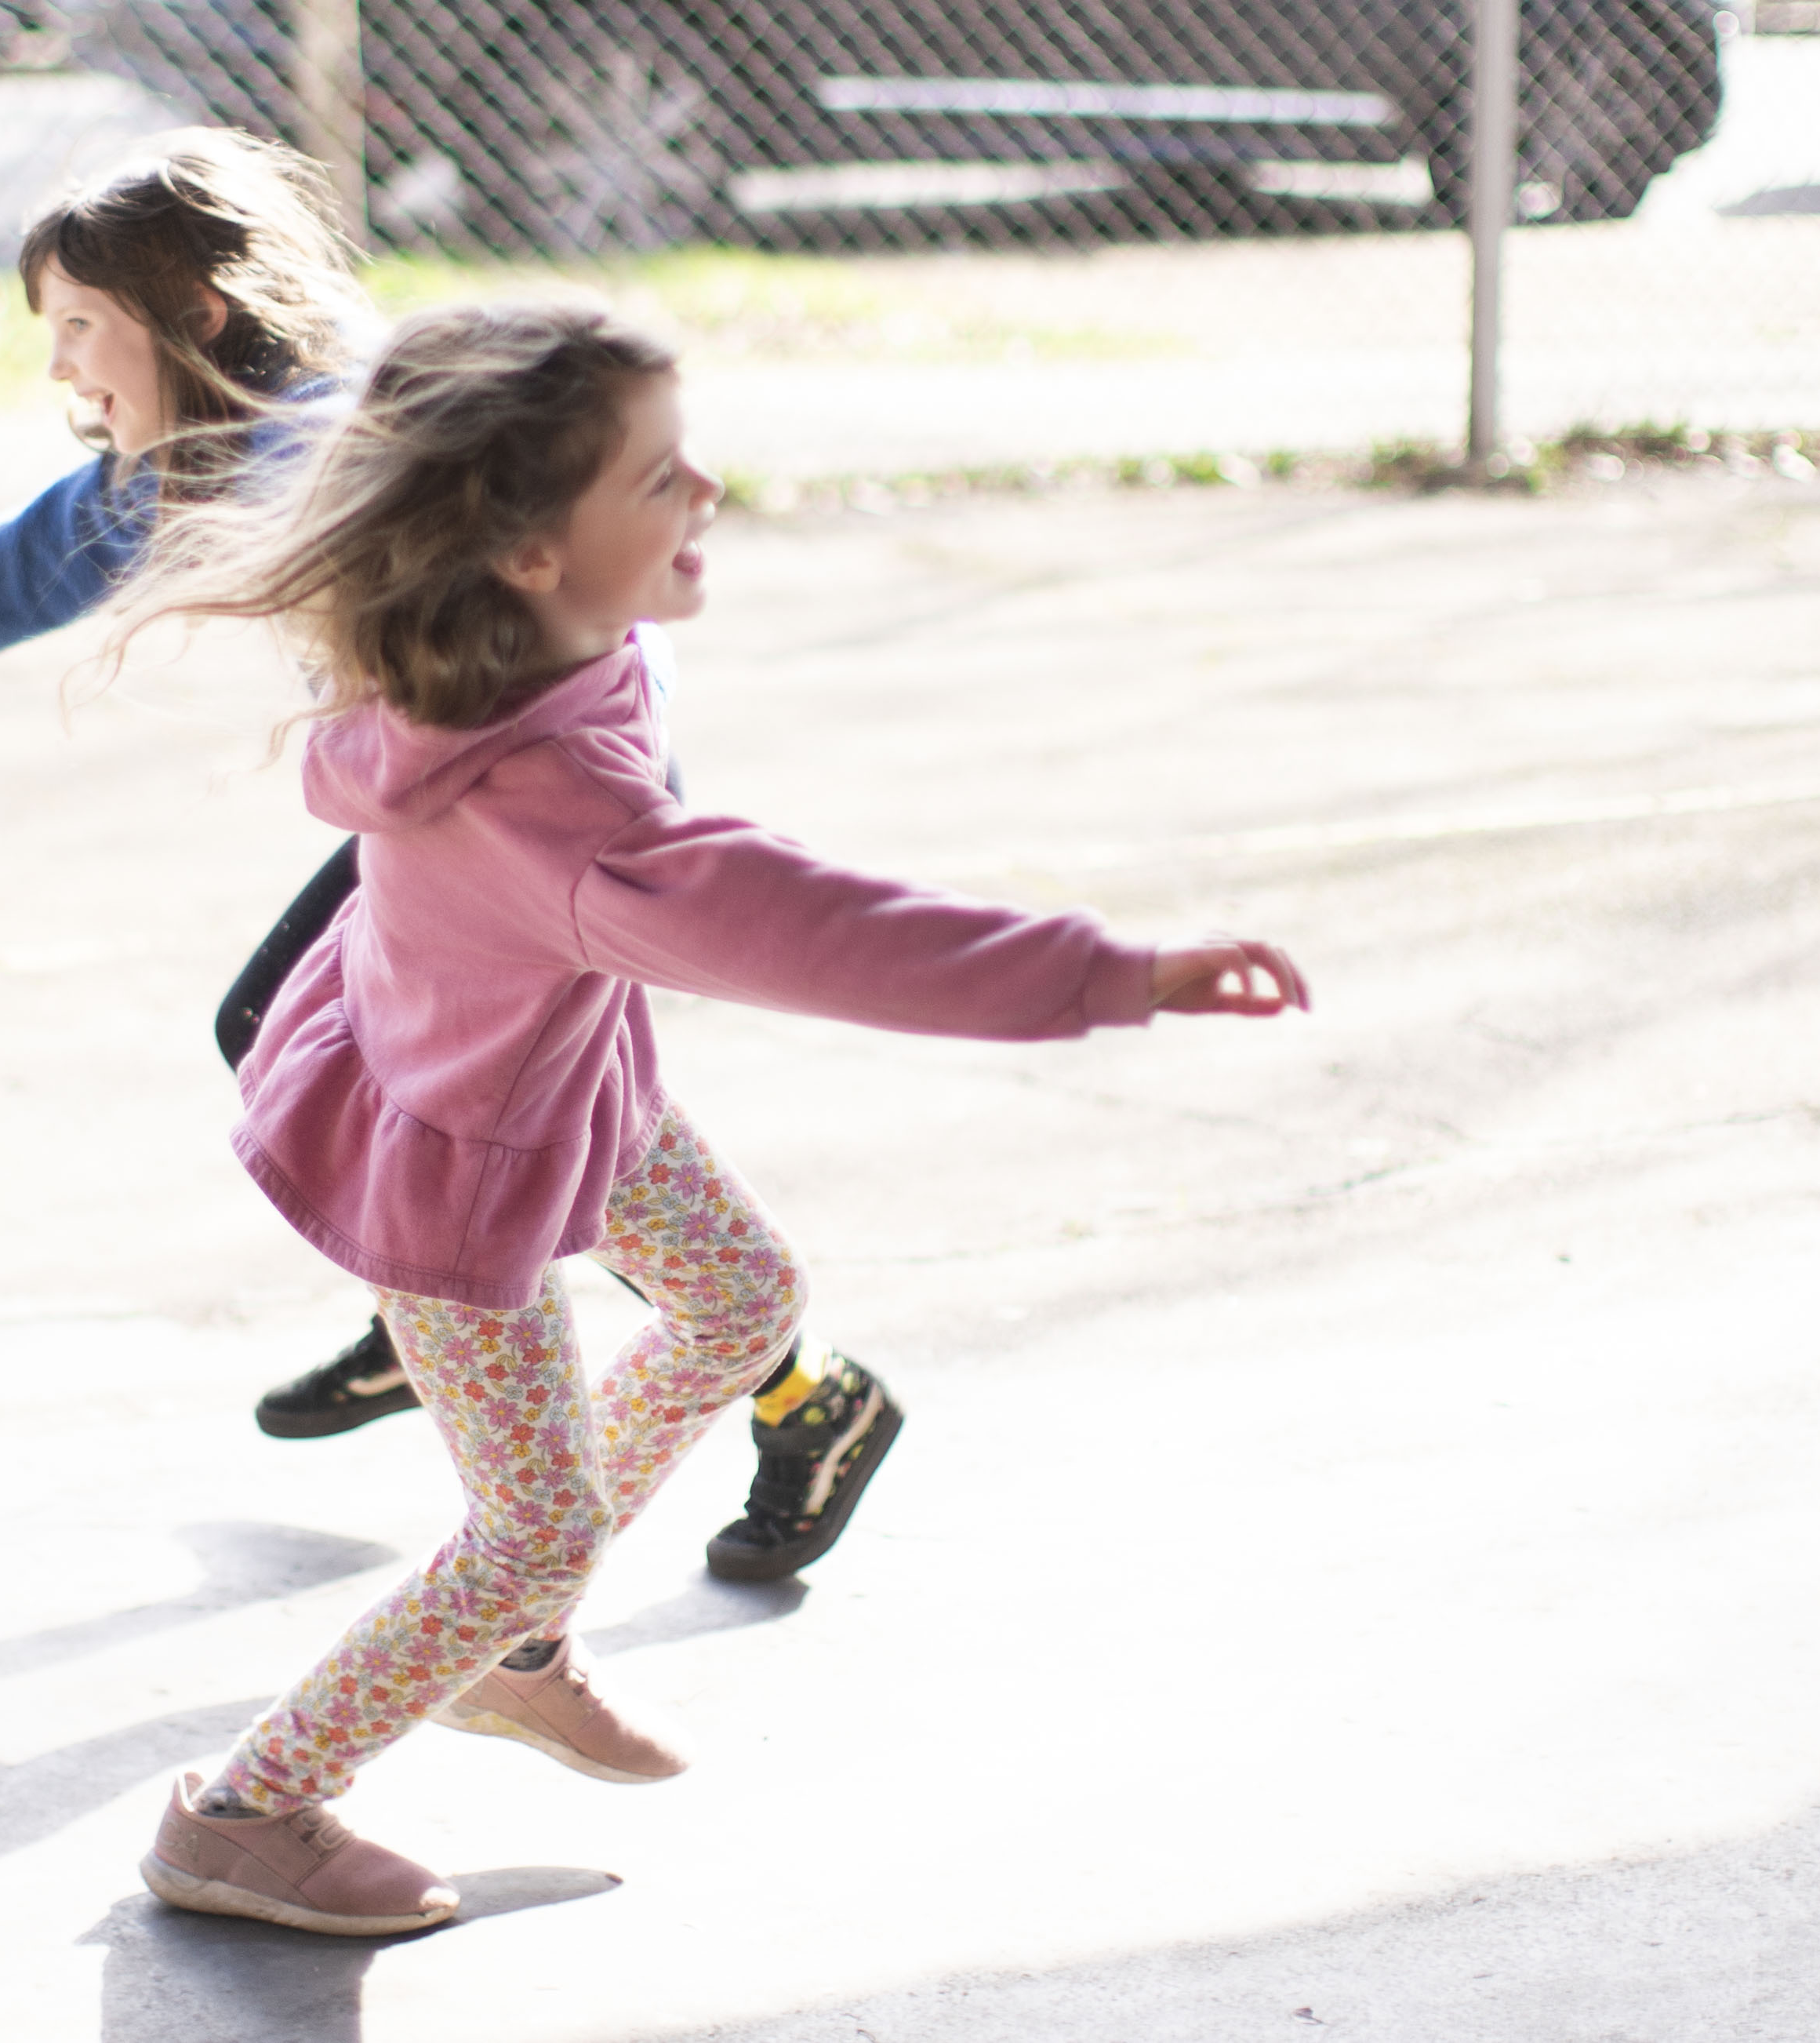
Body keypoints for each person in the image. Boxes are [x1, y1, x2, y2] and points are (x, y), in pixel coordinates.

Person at [114, 300, 1311, 1934]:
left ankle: (516, 1650)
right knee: (527, 1522)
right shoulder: (575, 827)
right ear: (529, 553)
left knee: (742, 1303)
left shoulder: (496, 647)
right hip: (458, 1163)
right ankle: (246, 1810)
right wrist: (1114, 972)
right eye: (661, 480)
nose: (709, 495)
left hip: (563, 1084)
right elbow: (818, 927)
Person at [0, 129, 910, 1584]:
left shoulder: (334, 439)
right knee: (302, 1036)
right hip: (466, 818)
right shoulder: (213, 441)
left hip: (540, 827)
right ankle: (447, 1303)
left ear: (197, 314)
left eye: (81, 326)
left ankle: (774, 1382)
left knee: (495, 1099)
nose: (60, 365)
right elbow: (72, 535)